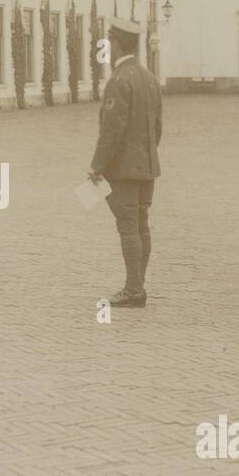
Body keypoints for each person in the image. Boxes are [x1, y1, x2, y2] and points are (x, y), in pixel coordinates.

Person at [87, 17, 162, 308]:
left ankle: (134, 290)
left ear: (116, 45)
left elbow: (111, 130)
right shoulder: (150, 78)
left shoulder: (120, 80)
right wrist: (146, 154)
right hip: (147, 167)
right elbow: (158, 128)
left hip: (124, 170)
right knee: (142, 224)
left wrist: (97, 166)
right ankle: (137, 285)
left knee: (128, 226)